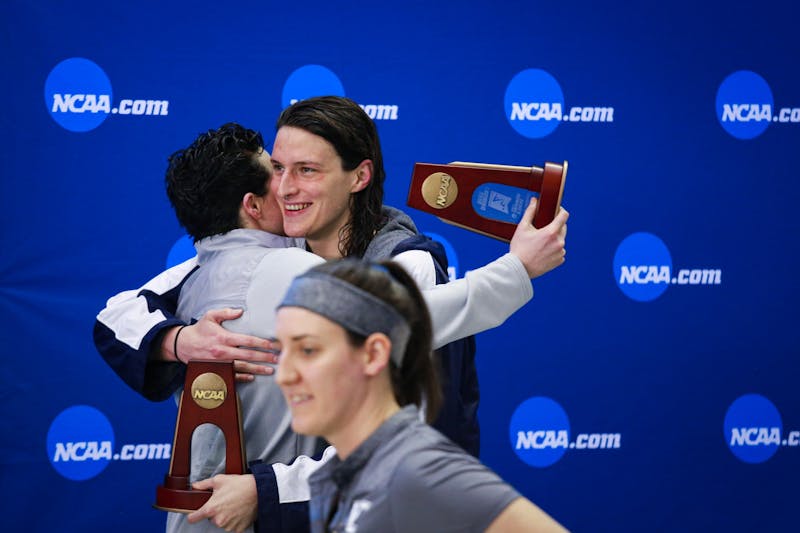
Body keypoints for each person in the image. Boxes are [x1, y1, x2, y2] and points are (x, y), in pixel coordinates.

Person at [94, 103, 568, 529]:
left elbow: (410, 442)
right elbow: (120, 313)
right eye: (277, 168)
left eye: (307, 171)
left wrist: (266, 491)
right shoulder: (269, 255)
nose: (284, 188)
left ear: (359, 176)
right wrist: (177, 341)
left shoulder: (409, 266)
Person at [274, 258, 569, 533]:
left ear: (374, 354)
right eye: (281, 350)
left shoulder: (417, 469)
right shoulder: (341, 475)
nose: (283, 375)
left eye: (308, 350)